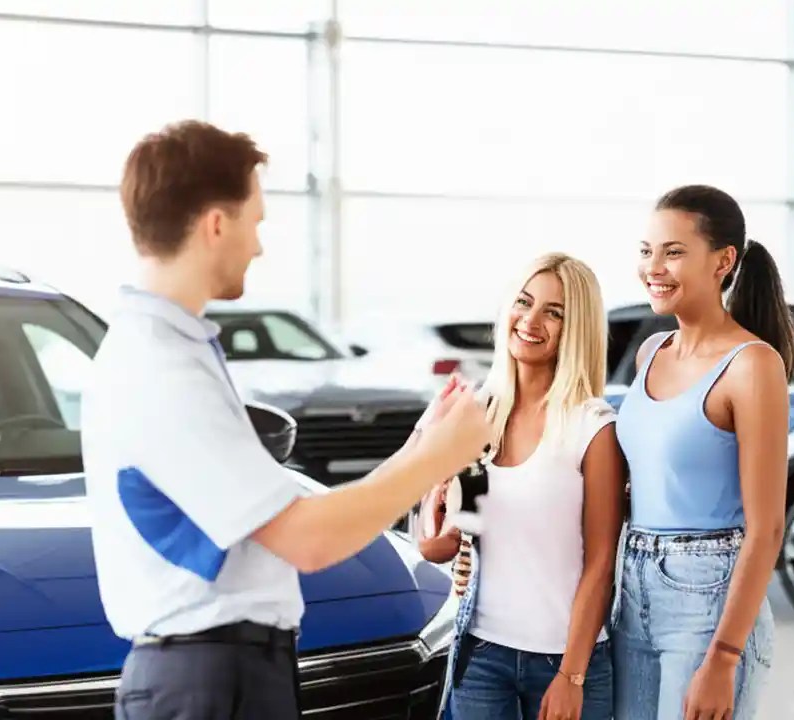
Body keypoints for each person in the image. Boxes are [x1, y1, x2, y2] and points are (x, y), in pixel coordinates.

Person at [80, 119, 492, 720]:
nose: (259, 245)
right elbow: (308, 537)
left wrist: (423, 445)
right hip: (210, 680)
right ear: (215, 224)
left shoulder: (170, 351)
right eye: (256, 222)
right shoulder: (160, 367)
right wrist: (434, 458)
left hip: (223, 672)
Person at [416, 252, 626, 720]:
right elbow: (447, 543)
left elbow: (601, 565)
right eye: (524, 303)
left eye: (554, 312)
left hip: (566, 661)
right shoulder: (479, 414)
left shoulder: (592, 426)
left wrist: (572, 675)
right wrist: (434, 489)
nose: (531, 321)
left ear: (576, 330)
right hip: (482, 654)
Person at [612, 185, 794, 720]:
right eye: (646, 251)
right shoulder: (651, 352)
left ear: (724, 261)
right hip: (633, 591)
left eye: (673, 252)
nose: (654, 267)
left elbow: (768, 529)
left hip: (709, 602)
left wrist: (723, 658)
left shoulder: (751, 365)